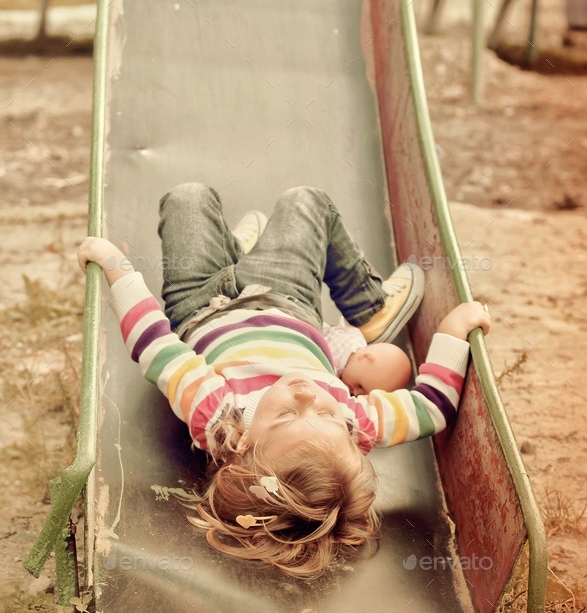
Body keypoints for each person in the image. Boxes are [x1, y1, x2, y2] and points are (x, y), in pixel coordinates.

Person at [77, 183, 491, 579]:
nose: (308, 393)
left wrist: (120, 272)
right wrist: (452, 332)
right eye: (326, 412)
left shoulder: (217, 413)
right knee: (306, 200)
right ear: (351, 437)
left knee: (187, 199)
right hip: (285, 296)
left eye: (287, 413)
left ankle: (234, 252)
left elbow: (155, 345)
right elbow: (431, 407)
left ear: (245, 442)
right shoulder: (354, 423)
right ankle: (369, 306)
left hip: (201, 302)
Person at [322, 317, 413, 396]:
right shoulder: (332, 367)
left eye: (364, 394)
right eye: (360, 386)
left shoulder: (358, 338)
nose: (356, 393)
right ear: (365, 358)